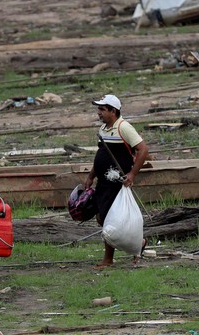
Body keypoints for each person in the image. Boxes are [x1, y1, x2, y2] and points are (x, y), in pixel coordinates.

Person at [82, 93, 148, 268]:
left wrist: (132, 174)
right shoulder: (104, 130)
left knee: (109, 218)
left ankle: (110, 258)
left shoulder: (123, 127)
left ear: (113, 111)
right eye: (99, 109)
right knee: (102, 217)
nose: (99, 112)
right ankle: (137, 244)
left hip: (117, 182)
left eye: (102, 109)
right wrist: (91, 176)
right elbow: (101, 155)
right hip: (103, 181)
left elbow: (142, 150)